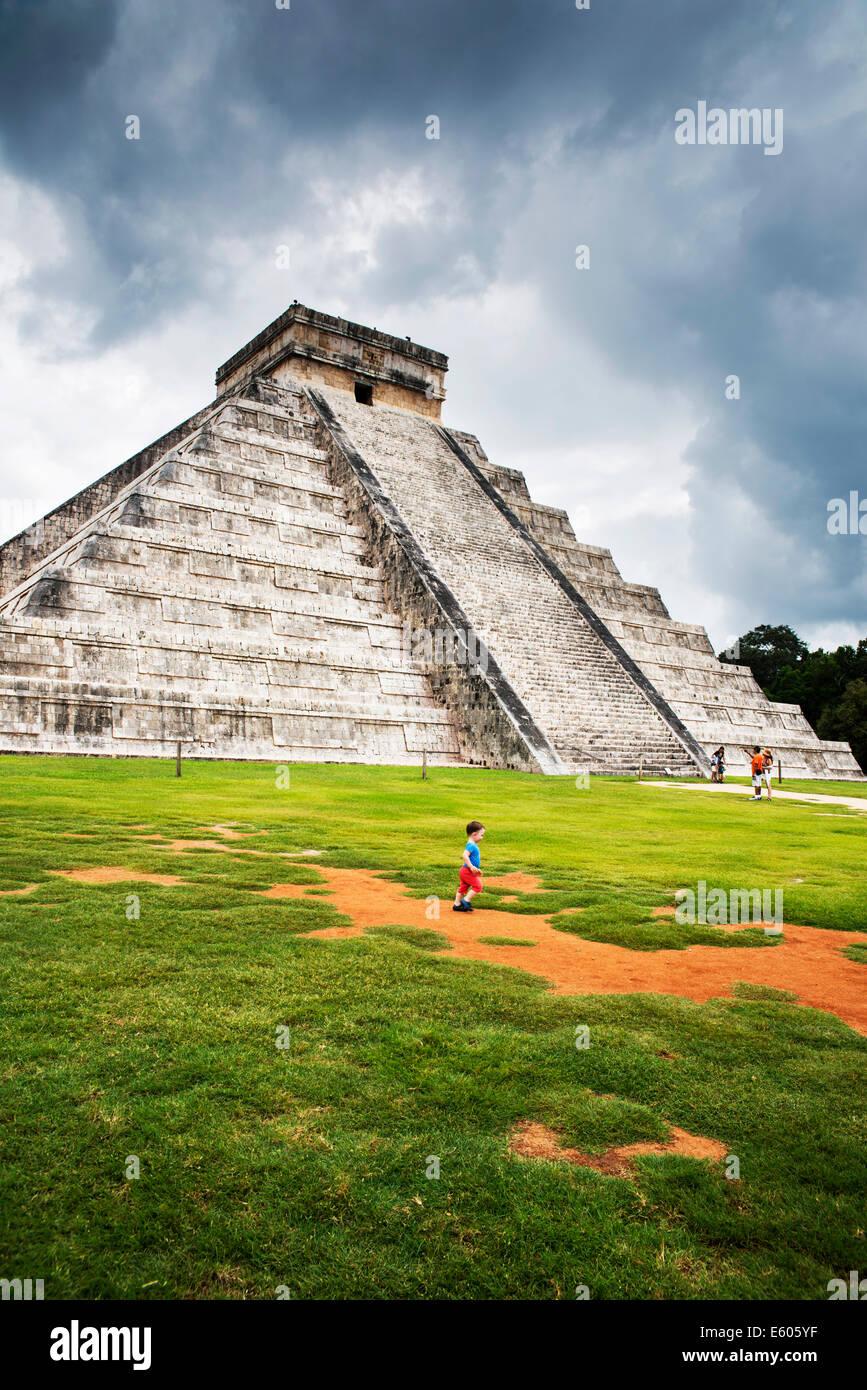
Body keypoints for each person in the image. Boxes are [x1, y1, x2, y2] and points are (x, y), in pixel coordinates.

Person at [453, 820, 485, 912]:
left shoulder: (471, 844)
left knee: (463, 888)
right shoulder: (471, 845)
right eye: (481, 835)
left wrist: (476, 869)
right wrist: (471, 867)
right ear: (474, 834)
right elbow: (464, 855)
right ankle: (465, 901)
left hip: (465, 871)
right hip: (467, 871)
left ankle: (457, 904)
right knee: (478, 887)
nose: (482, 837)